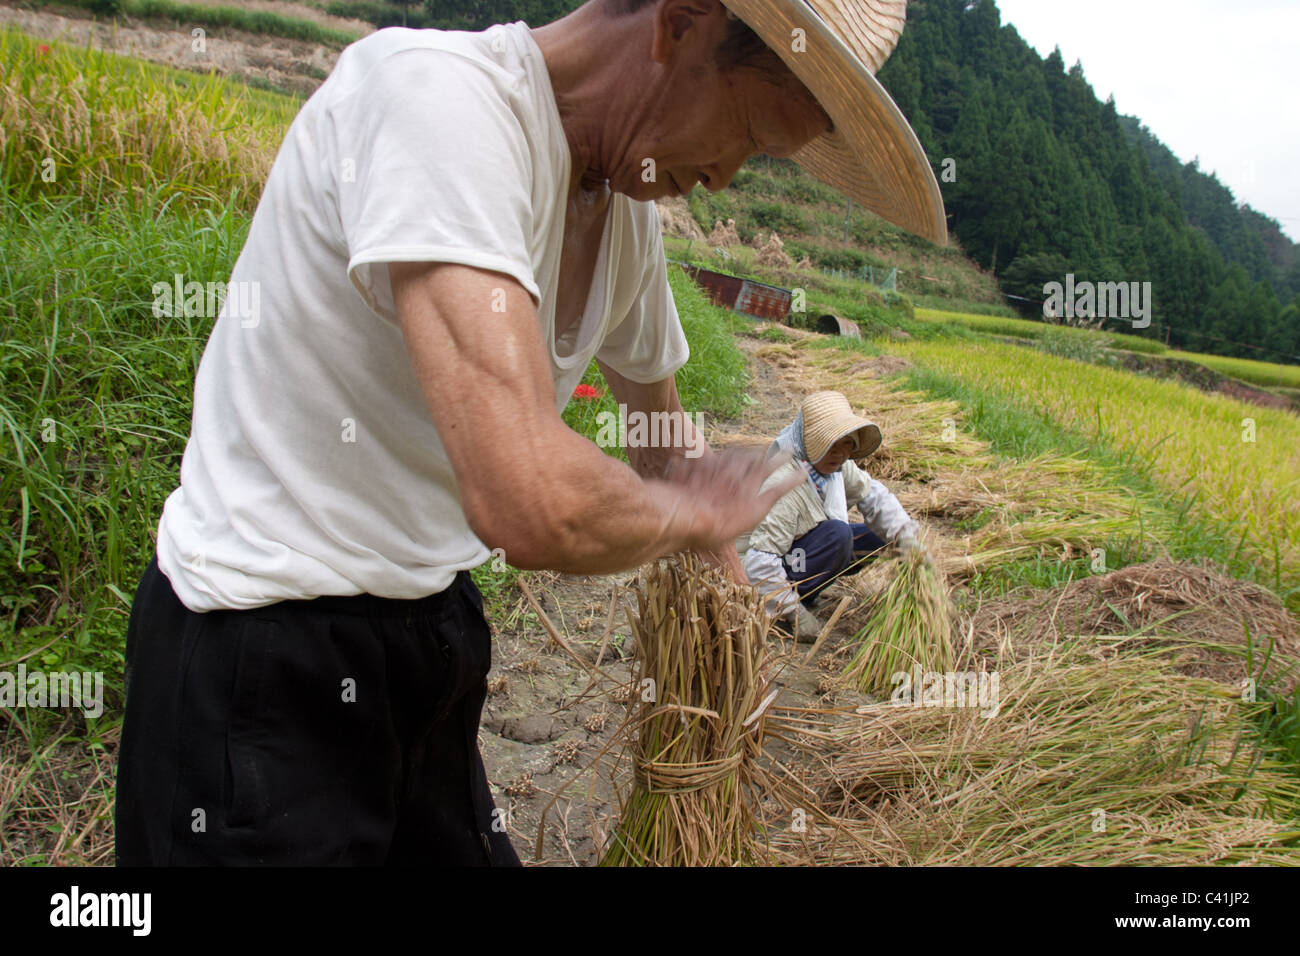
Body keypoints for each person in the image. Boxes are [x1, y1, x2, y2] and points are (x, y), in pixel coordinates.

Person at [115, 0, 946, 866]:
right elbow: (528, 499)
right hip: (262, 655)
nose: (728, 177)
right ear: (682, 22)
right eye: (745, 130)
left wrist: (736, 624)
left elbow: (664, 449)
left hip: (429, 627)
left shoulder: (626, 218)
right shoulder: (437, 105)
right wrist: (696, 514)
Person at [743, 391, 926, 641]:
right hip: (773, 567)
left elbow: (874, 495)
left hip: (802, 548)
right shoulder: (785, 482)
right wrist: (792, 610)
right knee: (839, 535)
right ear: (810, 441)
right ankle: (798, 598)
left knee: (877, 536)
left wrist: (906, 536)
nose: (840, 453)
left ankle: (810, 586)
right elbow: (760, 559)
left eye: (847, 444)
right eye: (831, 444)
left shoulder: (836, 468)